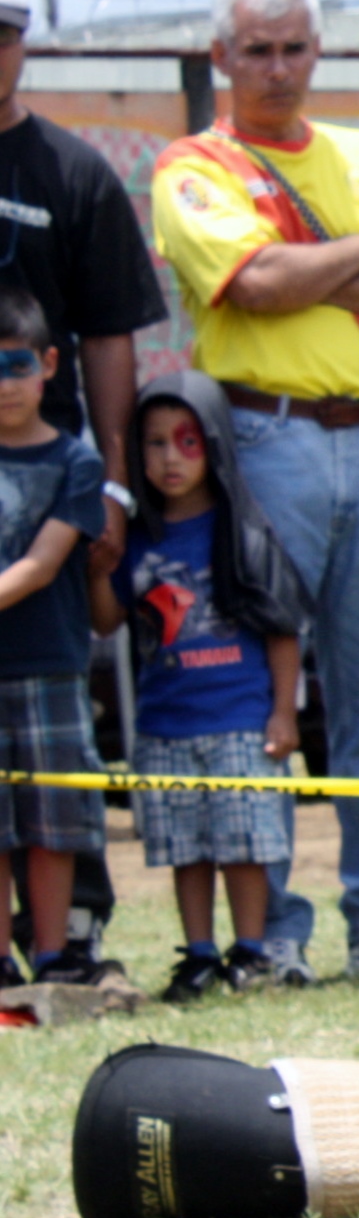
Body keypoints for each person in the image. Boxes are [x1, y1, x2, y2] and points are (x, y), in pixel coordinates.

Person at [149, 0, 359, 981]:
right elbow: (256, 284)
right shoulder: (193, 164)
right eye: (257, 50)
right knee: (261, 696)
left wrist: (311, 261)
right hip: (263, 436)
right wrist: (356, 250)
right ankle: (270, 927)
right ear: (222, 59)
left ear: (315, 53)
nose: (277, 67)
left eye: (292, 48)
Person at [0, 0, 170, 982]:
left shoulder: (70, 171)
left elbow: (111, 334)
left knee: (56, 730)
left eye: (4, 29)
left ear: (24, 39)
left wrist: (111, 474)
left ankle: (72, 938)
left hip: (47, 474)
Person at [88, 375, 308, 1001]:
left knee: (243, 845)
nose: (170, 458)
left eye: (187, 441)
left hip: (241, 719)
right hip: (165, 723)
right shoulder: (135, 540)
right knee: (188, 849)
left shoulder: (244, 530)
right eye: (154, 444)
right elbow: (107, 623)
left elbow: (282, 628)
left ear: (214, 446)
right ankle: (200, 954)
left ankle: (252, 951)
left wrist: (282, 714)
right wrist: (99, 572)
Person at [0, 286, 115, 989]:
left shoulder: (75, 462)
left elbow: (42, 567)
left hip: (50, 667)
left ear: (48, 364)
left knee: (51, 824)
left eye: (15, 365)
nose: (4, 384)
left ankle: (52, 955)